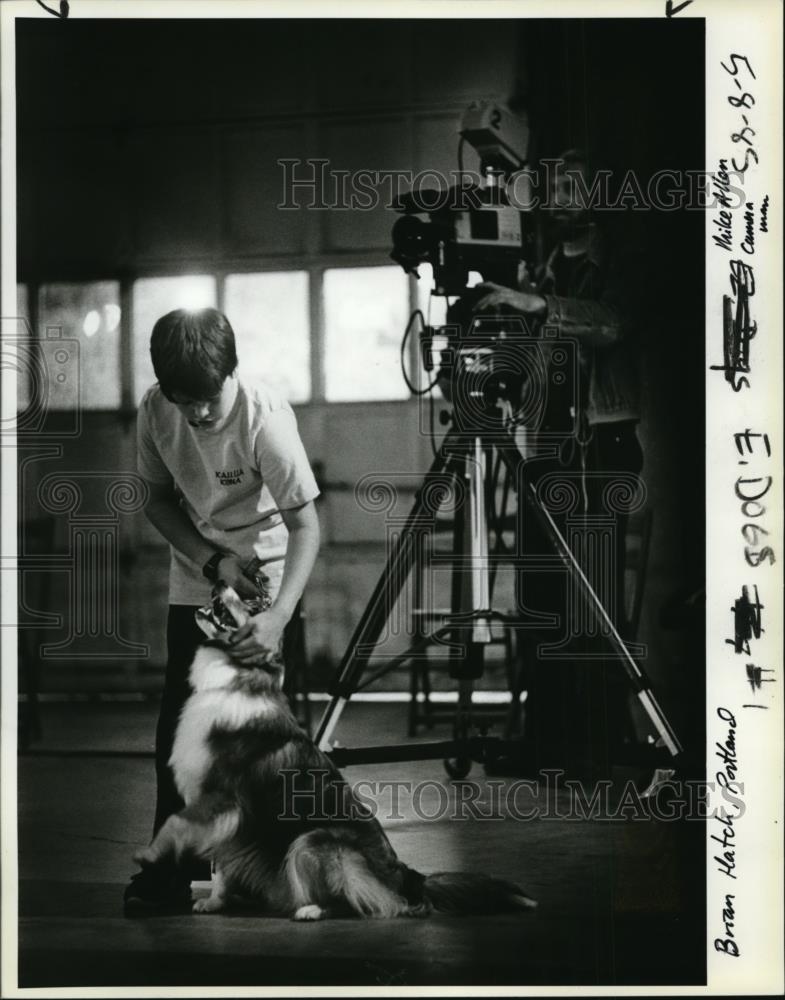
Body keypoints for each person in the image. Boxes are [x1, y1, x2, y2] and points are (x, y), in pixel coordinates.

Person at [124, 307, 320, 915]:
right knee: (179, 735)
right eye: (186, 401)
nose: (200, 413)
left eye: (209, 399)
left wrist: (280, 616)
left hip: (268, 587)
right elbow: (156, 500)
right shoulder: (156, 411)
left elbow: (307, 524)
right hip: (198, 578)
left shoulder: (265, 417)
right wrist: (212, 562)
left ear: (231, 373)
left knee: (264, 747)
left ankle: (274, 871)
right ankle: (169, 875)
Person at [472, 150, 644, 775]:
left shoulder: (615, 261)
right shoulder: (541, 265)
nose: (561, 196)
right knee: (541, 592)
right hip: (545, 448)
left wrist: (537, 305)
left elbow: (615, 323)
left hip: (599, 447)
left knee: (593, 594)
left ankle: (603, 745)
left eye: (575, 185)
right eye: (553, 187)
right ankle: (549, 739)